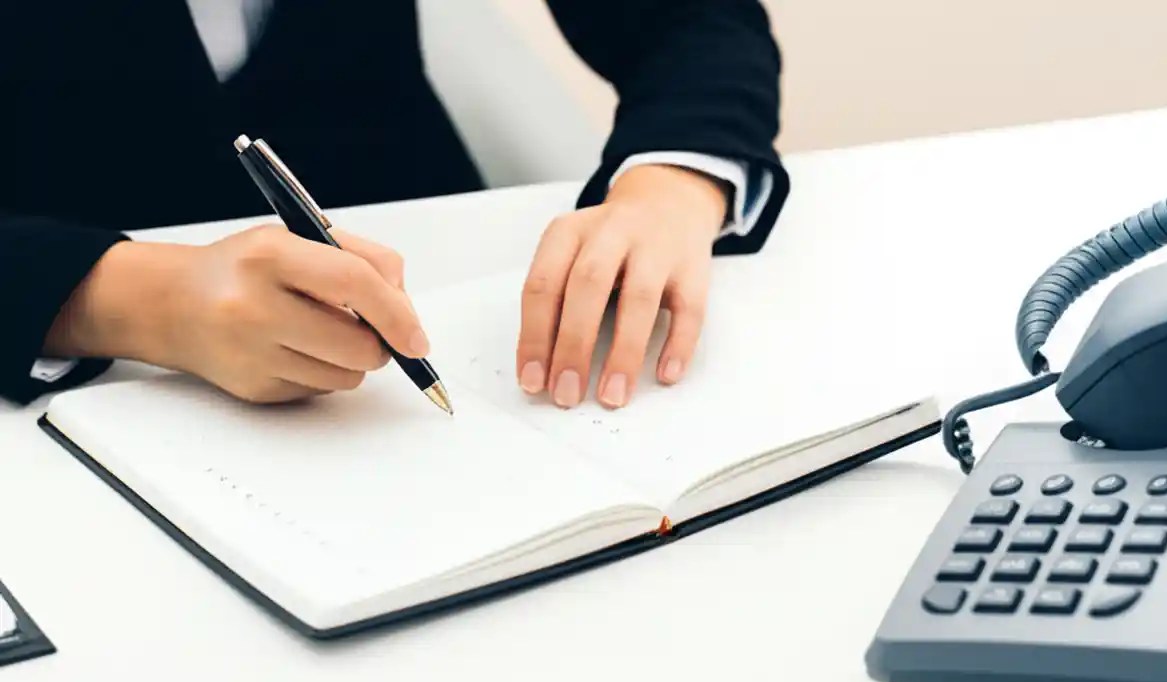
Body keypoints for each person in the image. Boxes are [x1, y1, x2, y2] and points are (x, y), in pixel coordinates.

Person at [0, 1, 788, 411]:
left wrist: (673, 180)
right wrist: (119, 298)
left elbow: (692, 18)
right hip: (78, 398)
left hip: (432, 268)